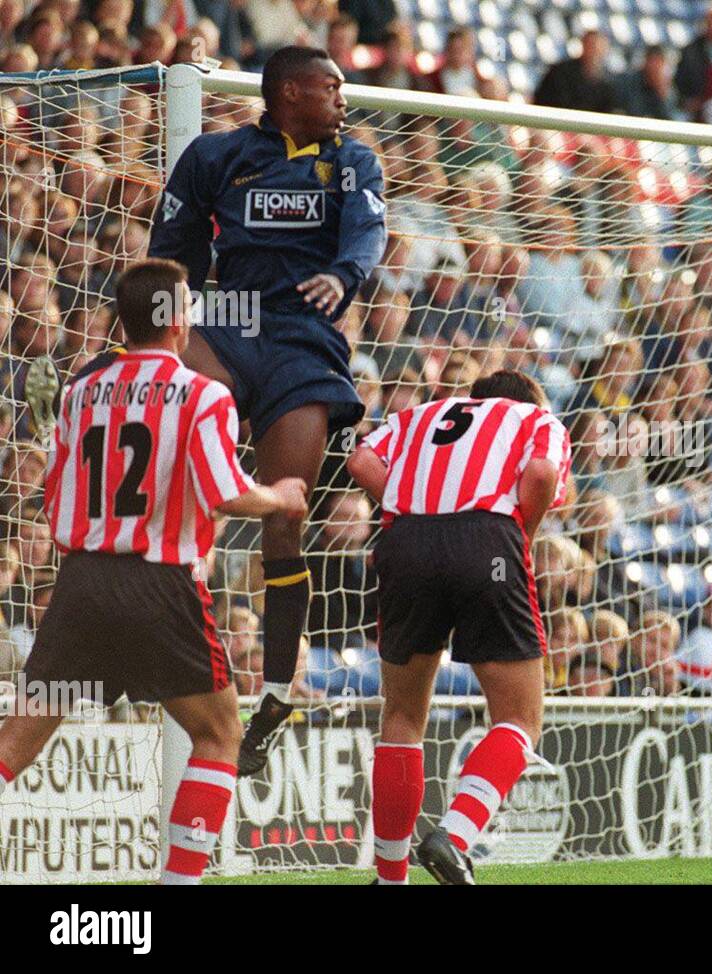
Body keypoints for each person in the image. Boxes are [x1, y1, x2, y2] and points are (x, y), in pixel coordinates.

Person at [0, 259, 307, 885]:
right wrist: (281, 495)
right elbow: (223, 492)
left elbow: (55, 494)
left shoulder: (81, 388)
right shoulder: (201, 392)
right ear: (178, 321)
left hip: (81, 582)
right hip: (159, 584)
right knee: (221, 735)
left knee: (15, 743)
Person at [146, 46, 386, 774]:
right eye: (332, 84)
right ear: (290, 90)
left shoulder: (352, 161)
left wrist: (343, 274)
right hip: (229, 320)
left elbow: (368, 234)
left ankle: (278, 691)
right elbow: (172, 253)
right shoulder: (216, 155)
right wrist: (156, 321)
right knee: (163, 406)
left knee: (288, 517)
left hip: (304, 344)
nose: (344, 96)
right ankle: (151, 590)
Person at [347, 368, 571, 885]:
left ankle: (389, 878)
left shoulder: (421, 414)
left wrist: (411, 504)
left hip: (406, 542)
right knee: (519, 719)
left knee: (402, 716)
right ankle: (454, 835)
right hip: (488, 539)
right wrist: (521, 534)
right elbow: (539, 475)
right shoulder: (536, 417)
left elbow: (359, 459)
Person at [532, 29, 615, 114]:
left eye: (599, 46)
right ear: (584, 45)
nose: (595, 50)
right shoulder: (560, 73)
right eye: (592, 45)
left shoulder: (608, 82)